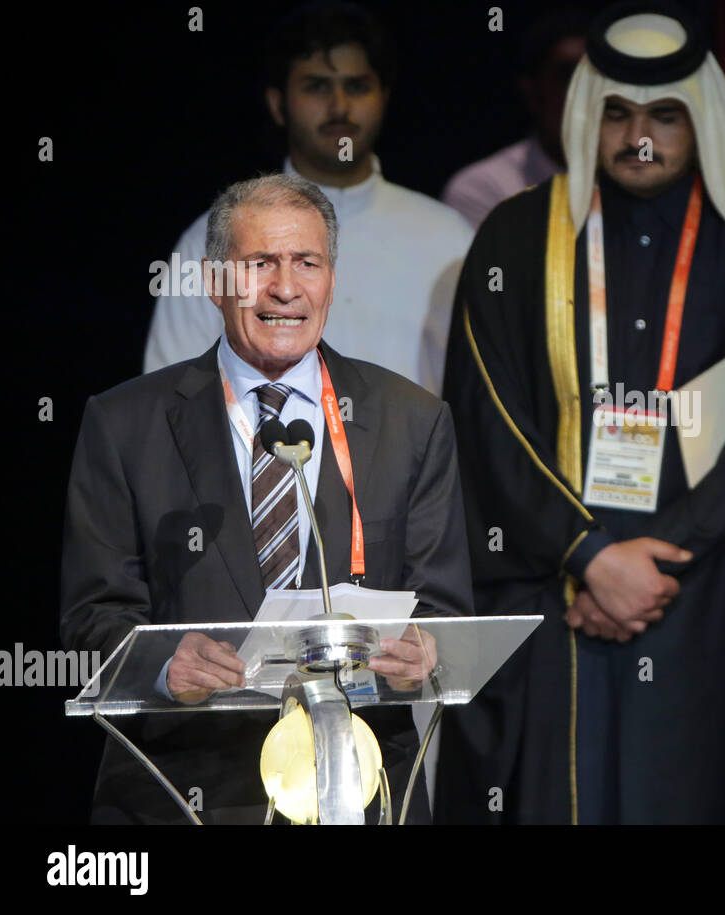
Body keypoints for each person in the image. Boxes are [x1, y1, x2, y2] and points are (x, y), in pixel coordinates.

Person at [436, 1, 725, 824]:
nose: (640, 136)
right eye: (618, 113)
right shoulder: (516, 237)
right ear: (584, 115)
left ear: (698, 115)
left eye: (665, 115)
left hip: (708, 588)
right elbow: (487, 417)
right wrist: (591, 555)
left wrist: (661, 558)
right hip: (555, 592)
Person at [61, 173, 473, 824]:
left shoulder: (411, 420)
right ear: (214, 282)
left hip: (359, 787)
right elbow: (90, 620)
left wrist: (424, 652)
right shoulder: (124, 425)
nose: (286, 288)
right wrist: (165, 664)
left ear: (331, 278)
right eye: (260, 264)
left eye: (307, 263)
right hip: (186, 786)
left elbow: (447, 613)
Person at [144, 1, 473, 395]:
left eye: (356, 86)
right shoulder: (217, 236)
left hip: (415, 458)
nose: (339, 107)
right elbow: (168, 401)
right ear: (278, 104)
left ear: (383, 97)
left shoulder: (448, 237)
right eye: (317, 86)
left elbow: (475, 400)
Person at [441, 9, 588, 227]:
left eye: (593, 79)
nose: (582, 93)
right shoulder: (485, 188)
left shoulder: (637, 175)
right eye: (566, 77)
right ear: (532, 93)